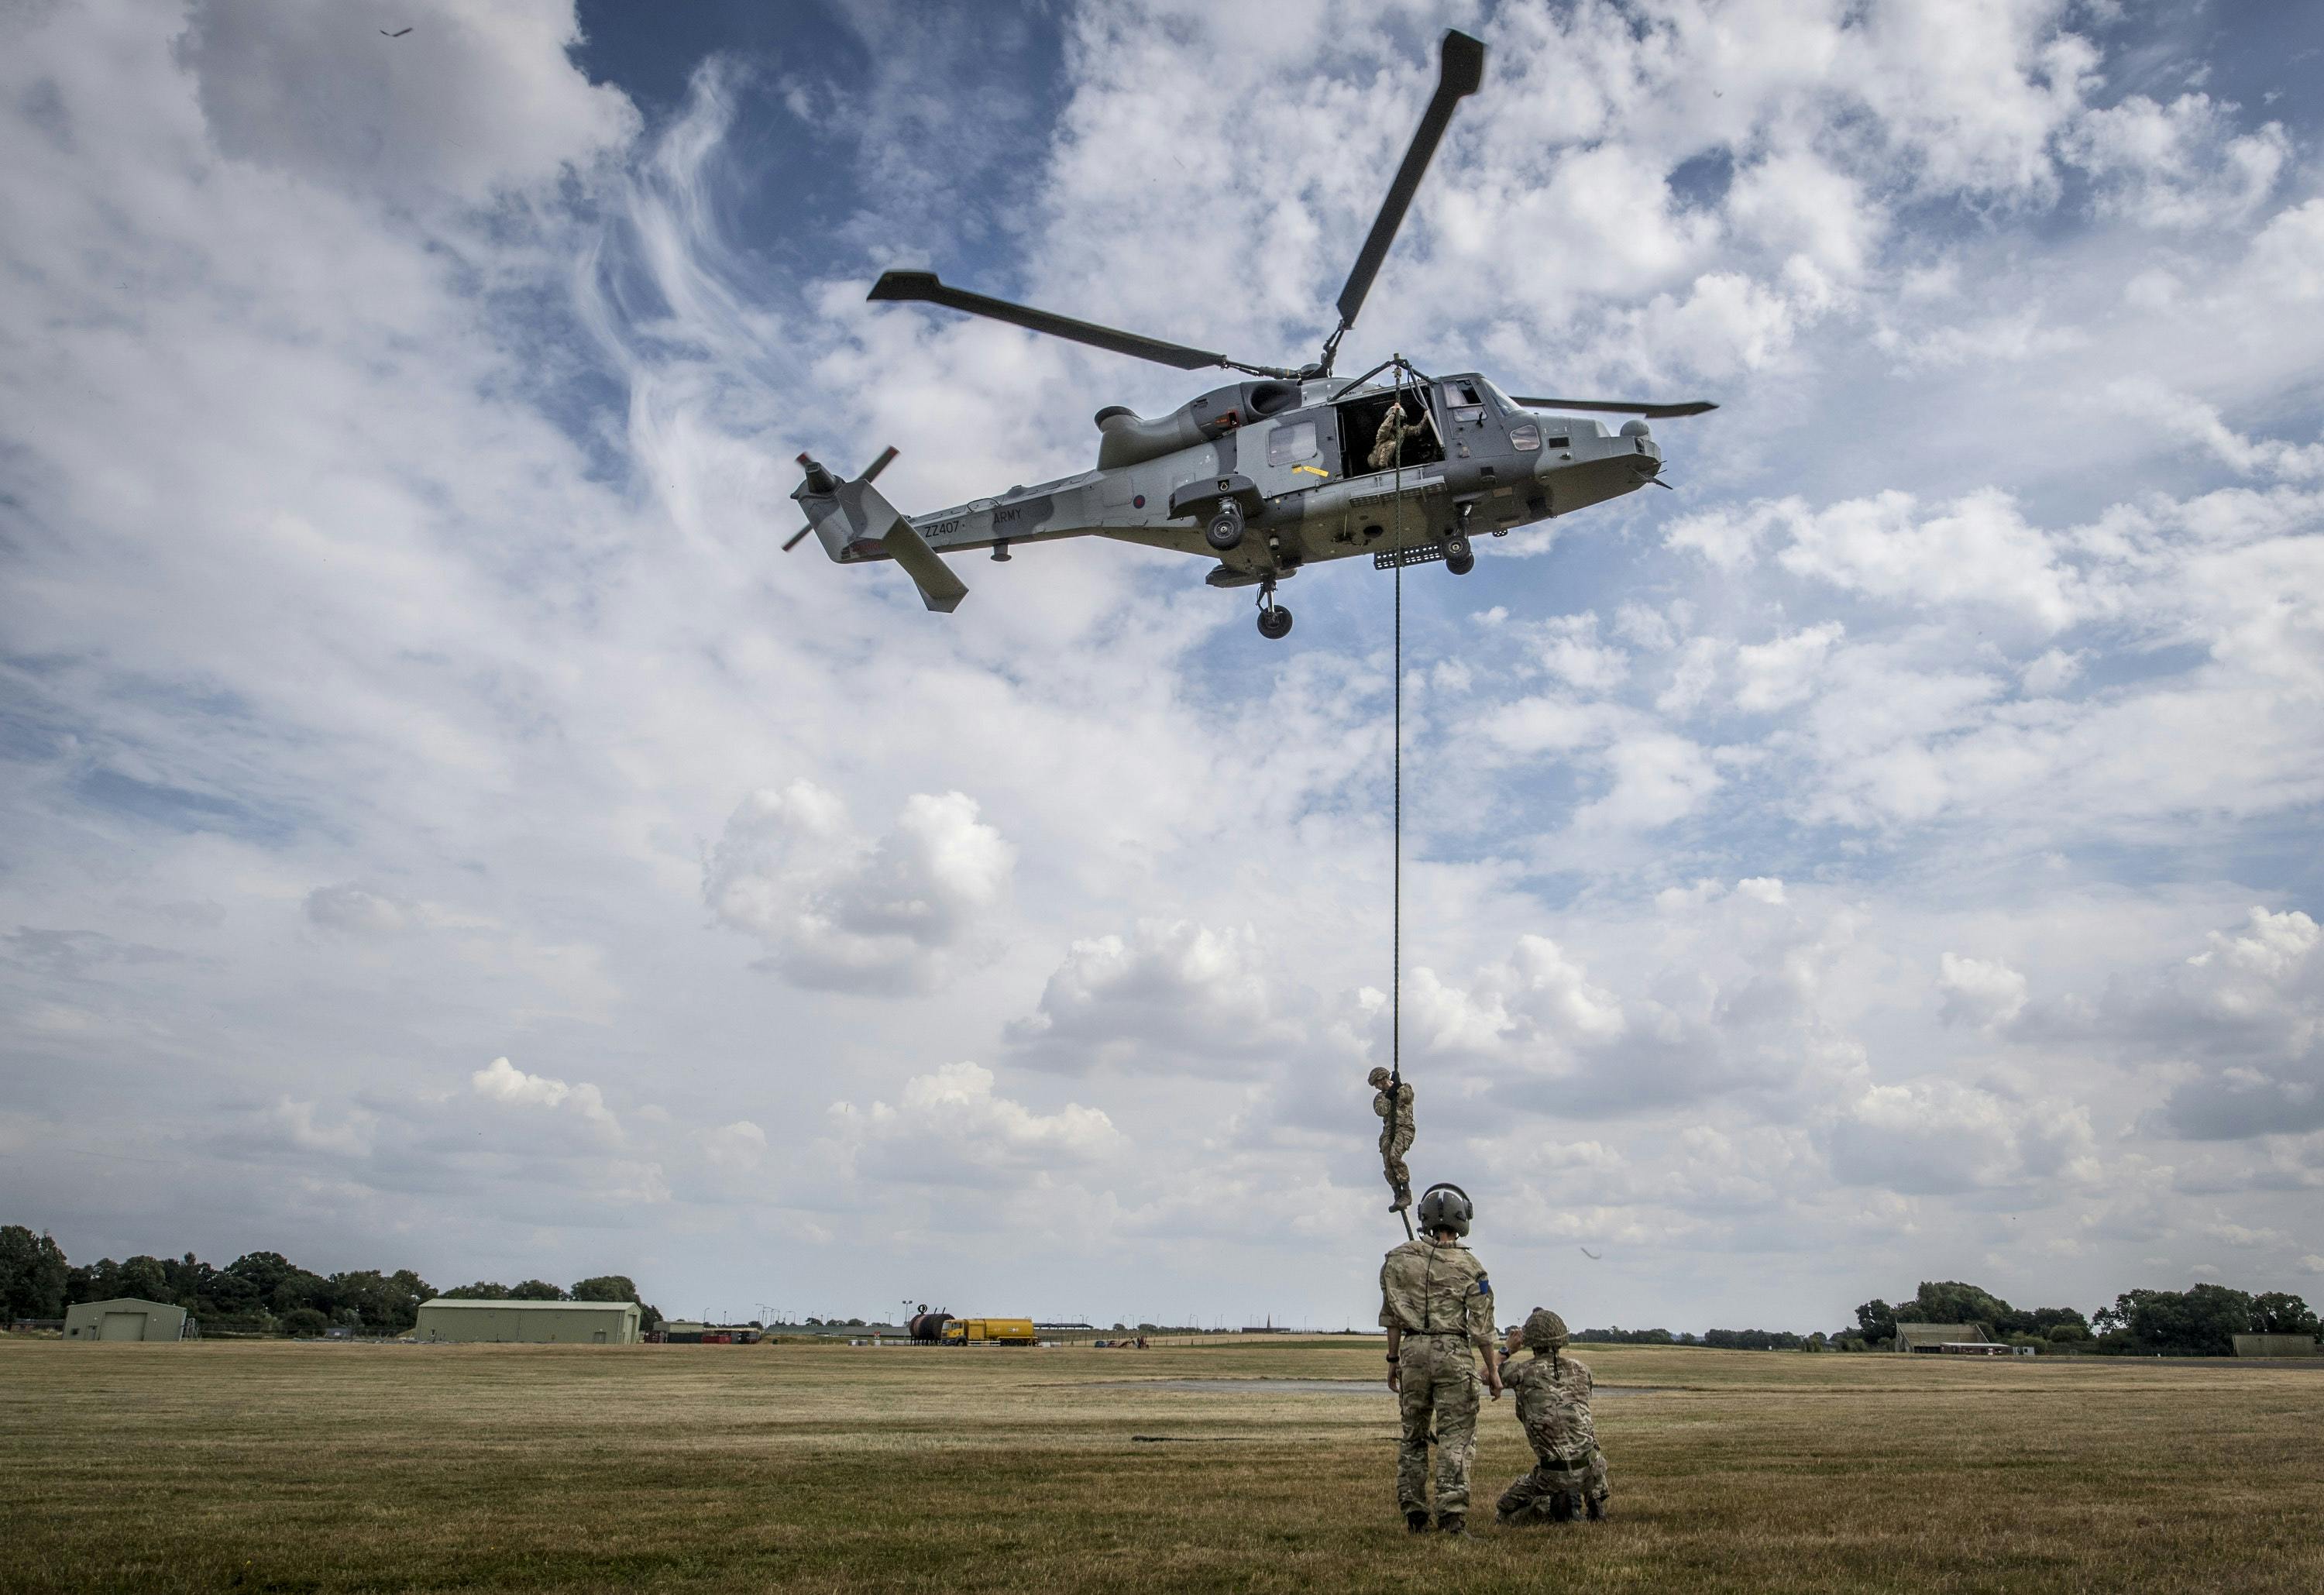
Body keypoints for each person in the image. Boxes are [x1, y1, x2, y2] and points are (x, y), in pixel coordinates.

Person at [1380, 1184, 1500, 1537]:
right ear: (1462, 1221)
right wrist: (1492, 1370)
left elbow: (1392, 1316)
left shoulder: (1399, 1259)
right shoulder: (1470, 1266)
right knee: (1456, 1438)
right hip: (1452, 1353)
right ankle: (1451, 1517)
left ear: (1425, 1219)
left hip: (1413, 1352)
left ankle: (1415, 1514)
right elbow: (1482, 1329)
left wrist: (1392, 1359)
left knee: (1413, 1436)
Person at [1494, 1308, 1611, 1526]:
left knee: (1504, 1512)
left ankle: (1550, 1505)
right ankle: (1595, 1501)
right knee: (1585, 1440)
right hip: (1591, 1470)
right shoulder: (1582, 1369)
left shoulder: (1521, 1371)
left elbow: (1486, 1374)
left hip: (1552, 1473)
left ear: (1531, 1341)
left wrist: (1507, 1350)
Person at [1368, 1066, 1415, 1210]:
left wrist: (1397, 1087)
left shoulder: (1404, 1088)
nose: (1376, 1087)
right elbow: (1381, 1110)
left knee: (1395, 1156)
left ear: (1382, 1079)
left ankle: (1406, 1193)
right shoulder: (1380, 1098)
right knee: (1387, 1160)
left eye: (1377, 1083)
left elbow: (1407, 1097)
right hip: (1389, 1131)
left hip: (1404, 1129)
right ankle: (1397, 1194)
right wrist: (1389, 1095)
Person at [1368, 395, 1426, 471]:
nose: (1397, 425)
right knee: (1391, 444)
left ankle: (1388, 466)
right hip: (1375, 460)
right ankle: (1383, 467)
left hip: (1389, 460)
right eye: (1395, 422)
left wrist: (1426, 417)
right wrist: (1393, 415)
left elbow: (1417, 430)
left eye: (1400, 422)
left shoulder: (1403, 429)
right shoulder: (1384, 433)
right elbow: (1384, 427)